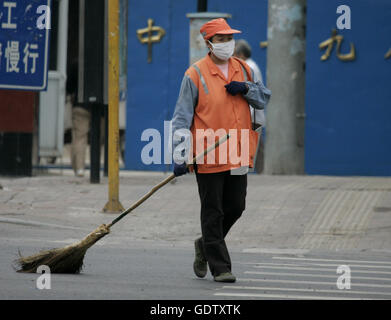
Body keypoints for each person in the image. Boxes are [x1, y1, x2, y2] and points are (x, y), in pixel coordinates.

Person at [171, 18, 271, 282]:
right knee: (212, 209)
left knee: (236, 206)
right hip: (207, 153)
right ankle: (221, 267)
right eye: (221, 39)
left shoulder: (244, 70)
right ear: (209, 43)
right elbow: (181, 117)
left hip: (238, 152)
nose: (227, 43)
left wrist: (246, 89)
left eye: (229, 38)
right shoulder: (195, 73)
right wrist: (180, 154)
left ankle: (205, 244)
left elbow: (264, 98)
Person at [234, 39, 266, 172]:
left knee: (252, 147)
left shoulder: (248, 67)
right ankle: (263, 173)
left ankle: (257, 174)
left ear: (240, 54)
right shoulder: (252, 65)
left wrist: (245, 118)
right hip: (255, 116)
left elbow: (251, 93)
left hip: (251, 116)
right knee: (258, 147)